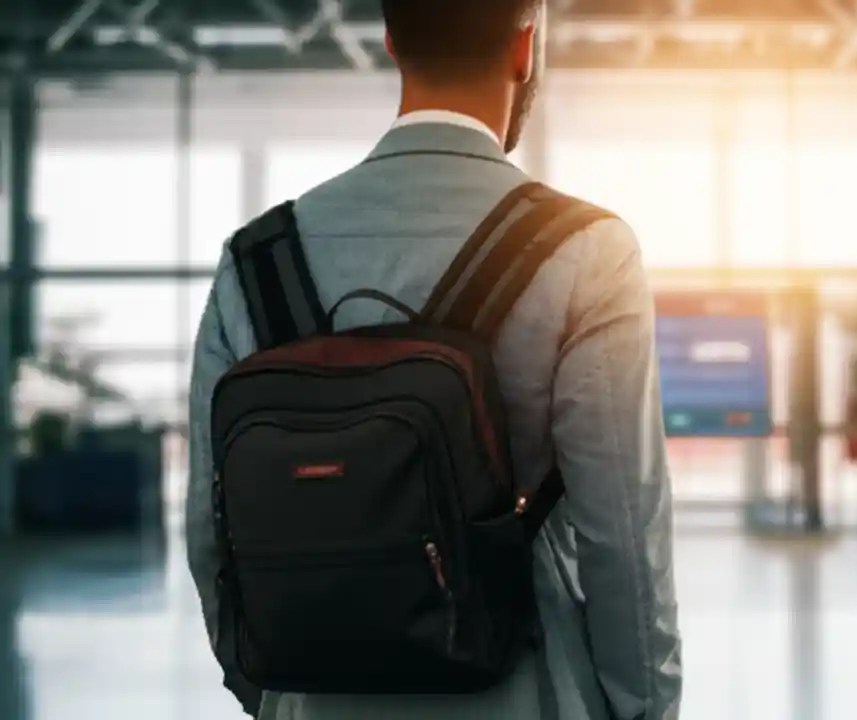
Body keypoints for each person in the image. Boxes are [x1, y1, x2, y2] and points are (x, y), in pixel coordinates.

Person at [185, 1, 682, 718]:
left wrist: (279, 696)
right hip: (525, 693)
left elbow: (211, 532)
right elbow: (625, 540)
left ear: (391, 40)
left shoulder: (256, 261)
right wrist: (647, 709)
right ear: (525, 46)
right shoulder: (588, 253)